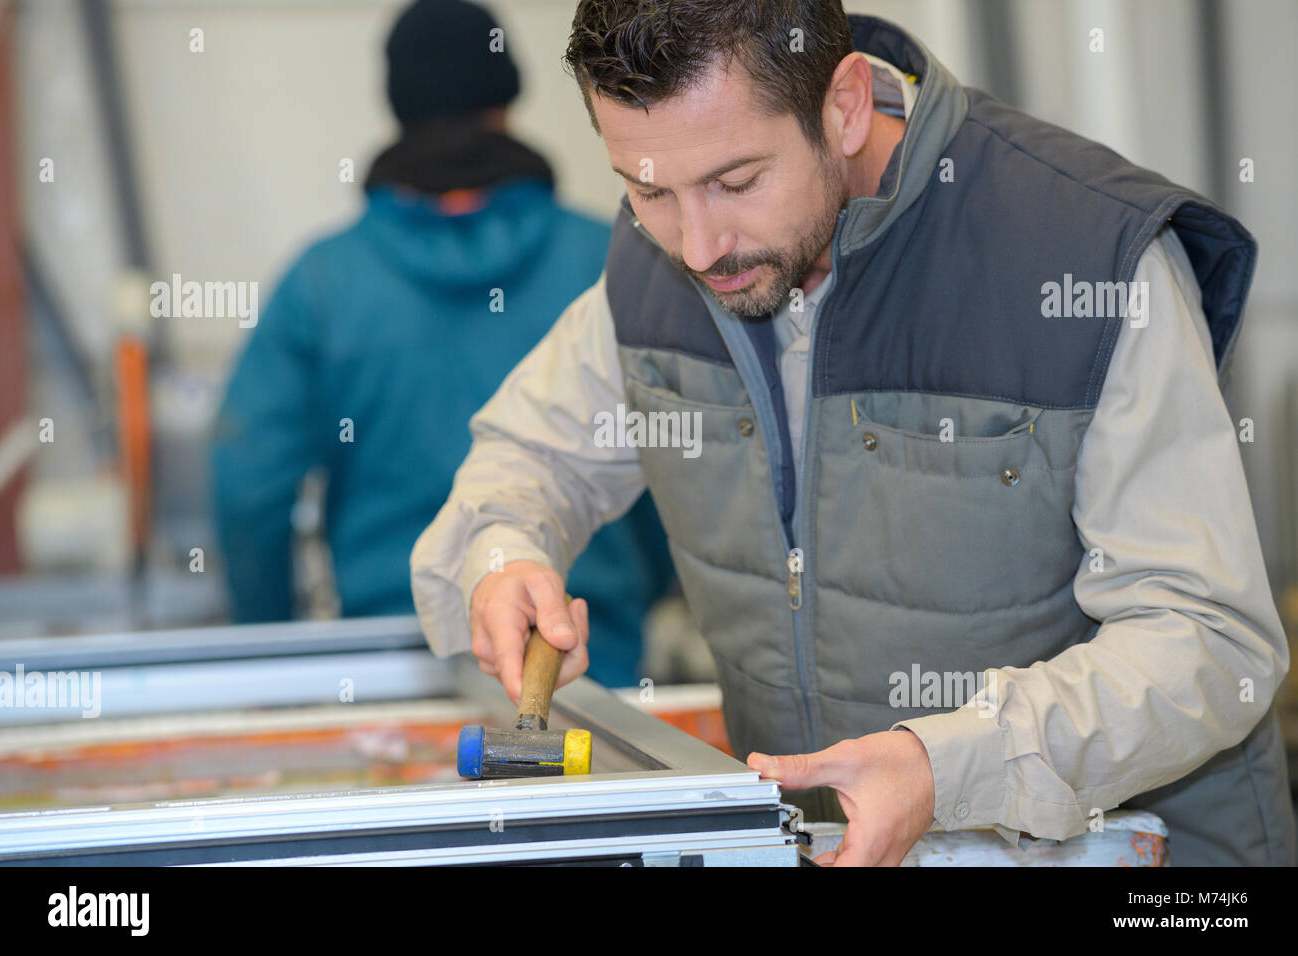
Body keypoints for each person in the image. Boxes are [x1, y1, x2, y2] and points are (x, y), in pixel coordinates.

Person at [411, 1, 1294, 866]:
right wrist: (505, 552)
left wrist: (946, 767)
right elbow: (531, 456)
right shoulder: (656, 266)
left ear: (842, 106)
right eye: (647, 189)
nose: (697, 246)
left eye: (737, 181)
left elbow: (1209, 638)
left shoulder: (1090, 256)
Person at [211, 0, 674, 687]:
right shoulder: (614, 257)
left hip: (385, 678)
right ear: (509, 96)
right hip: (581, 663)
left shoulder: (324, 283)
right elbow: (680, 454)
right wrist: (656, 588)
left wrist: (271, 649)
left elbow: (246, 483)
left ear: (396, 103)